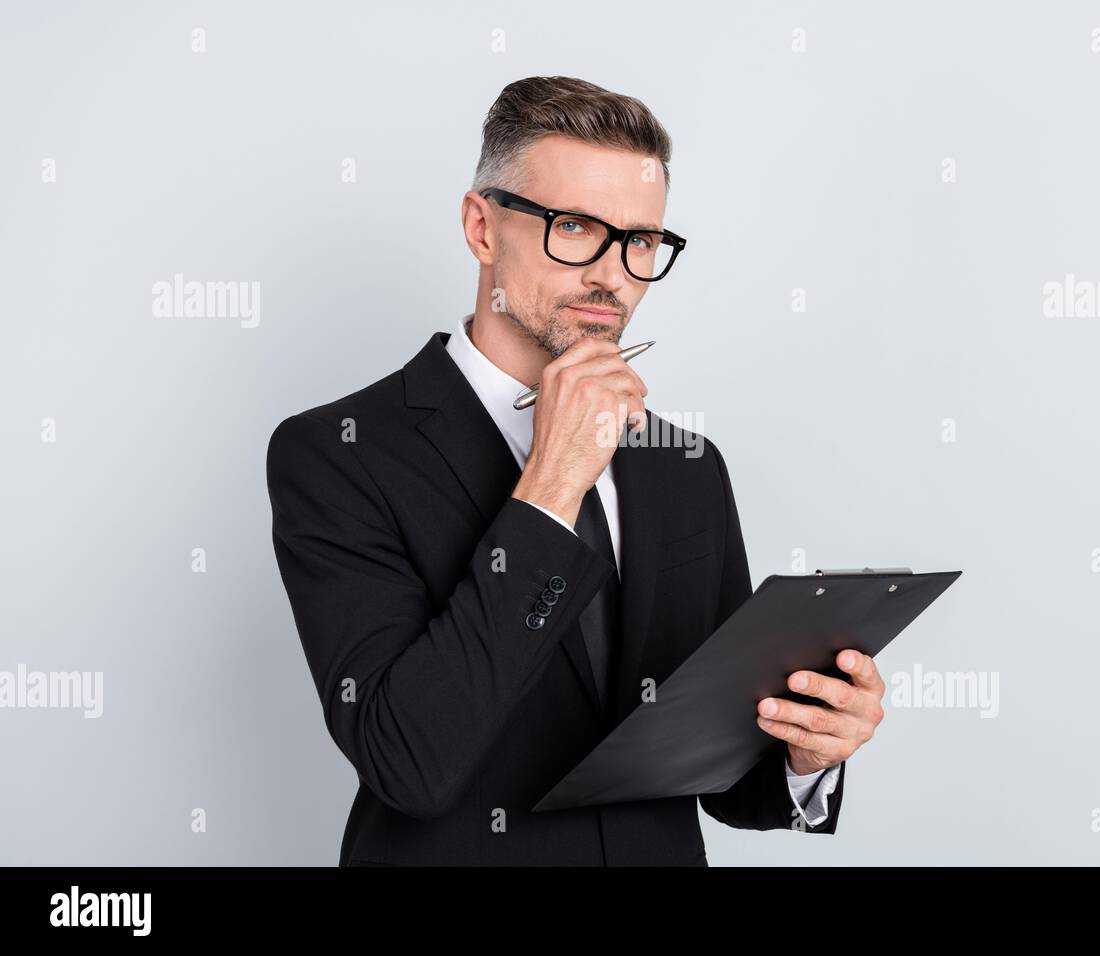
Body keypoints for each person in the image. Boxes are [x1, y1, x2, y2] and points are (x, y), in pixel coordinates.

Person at [266, 76, 885, 865]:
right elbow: (406, 761)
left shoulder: (687, 466)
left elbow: (722, 773)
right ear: (482, 227)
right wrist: (550, 488)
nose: (612, 273)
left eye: (639, 240)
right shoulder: (338, 452)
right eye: (574, 227)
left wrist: (808, 753)